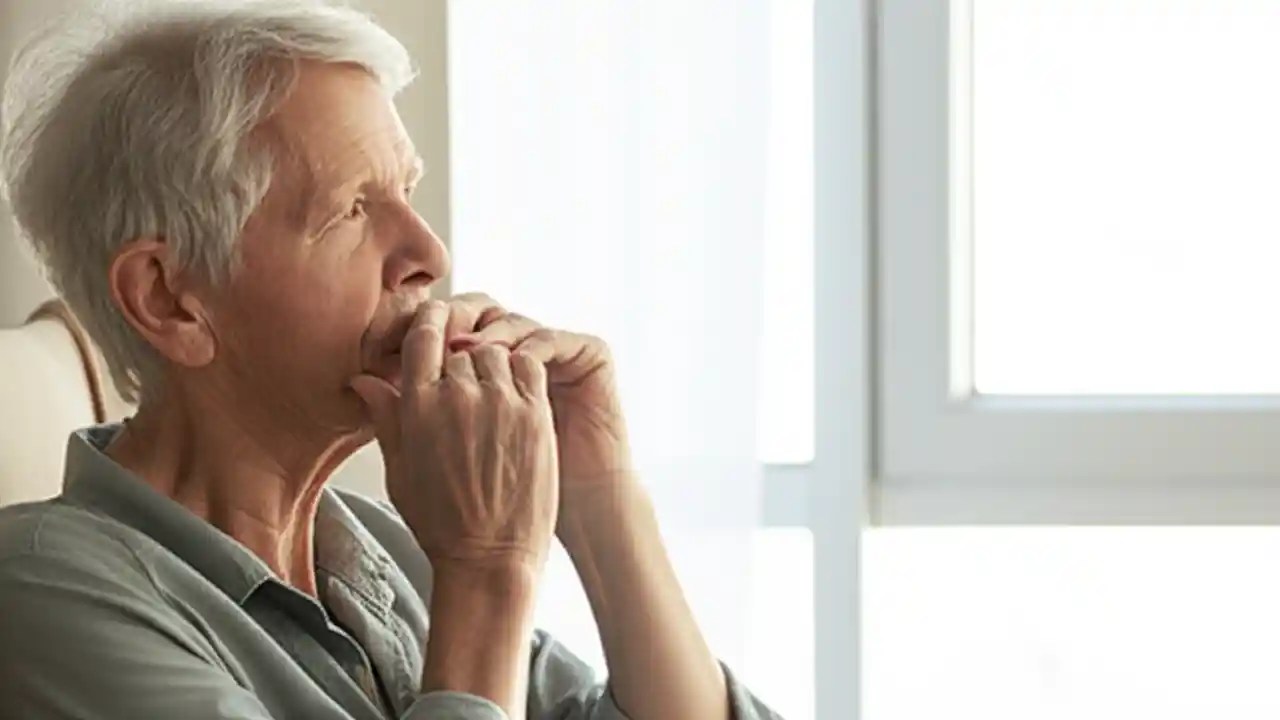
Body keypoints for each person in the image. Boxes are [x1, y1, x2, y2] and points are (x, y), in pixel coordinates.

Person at [0, 2, 784, 719]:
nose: (428, 253)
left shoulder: (385, 552)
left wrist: (602, 495)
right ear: (169, 299)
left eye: (407, 191)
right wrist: (487, 569)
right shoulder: (41, 598)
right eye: (350, 210)